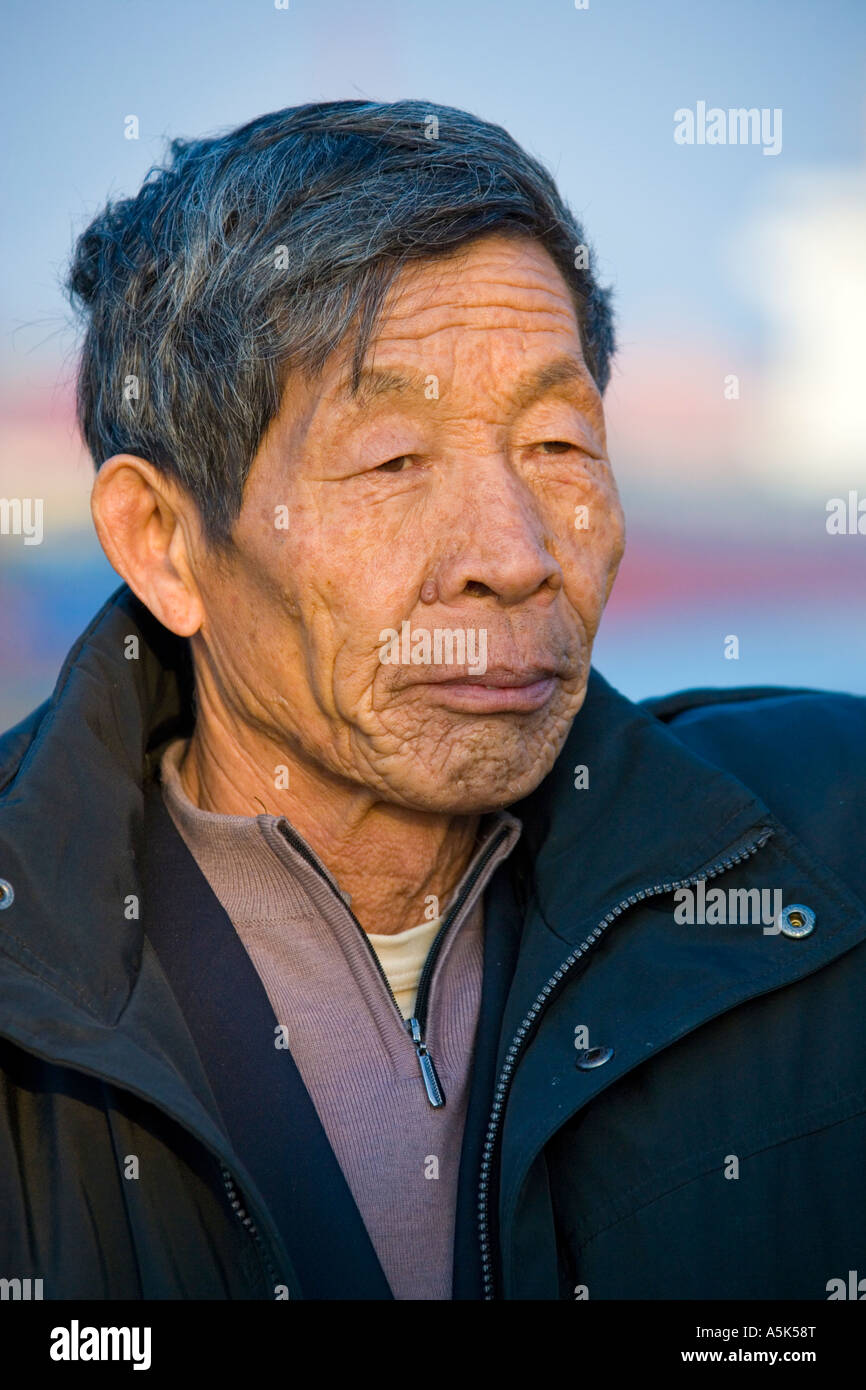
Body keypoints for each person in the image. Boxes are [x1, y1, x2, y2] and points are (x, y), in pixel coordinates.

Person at [1, 99, 864, 1301]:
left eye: (559, 447)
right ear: (163, 543)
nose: (513, 555)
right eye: (395, 462)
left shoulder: (830, 840)